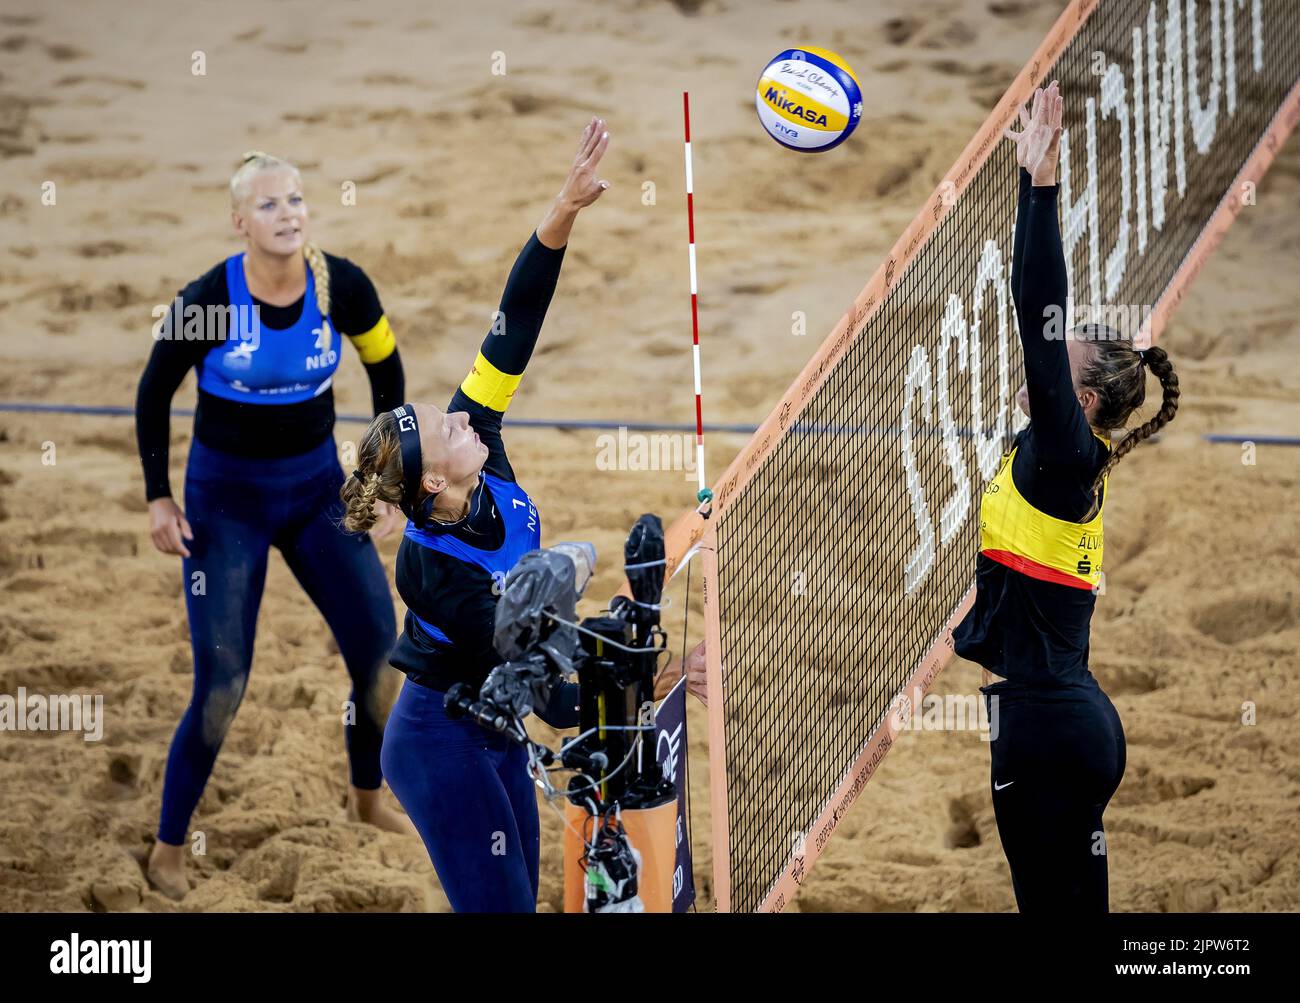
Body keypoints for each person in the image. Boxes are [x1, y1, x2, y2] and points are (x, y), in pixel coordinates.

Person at [341, 118, 703, 911]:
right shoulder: (431, 569)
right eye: (450, 426)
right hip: (440, 738)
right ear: (434, 480)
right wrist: (663, 673)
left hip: (495, 725)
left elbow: (513, 326)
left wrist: (562, 212)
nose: (467, 416)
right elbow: (549, 690)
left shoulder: (485, 447)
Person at [135, 151, 410, 899]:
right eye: (267, 205)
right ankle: (167, 846)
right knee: (223, 684)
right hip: (226, 504)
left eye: (295, 199)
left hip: (317, 491)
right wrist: (160, 497)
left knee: (383, 657)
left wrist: (384, 481)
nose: (287, 213)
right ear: (238, 222)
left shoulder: (341, 285)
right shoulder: (209, 299)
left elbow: (388, 374)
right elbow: (153, 392)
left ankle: (367, 798)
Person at [955, 81, 1180, 912]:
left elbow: (1034, 308)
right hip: (1075, 725)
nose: (1039, 369)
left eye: (1059, 366)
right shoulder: (1062, 461)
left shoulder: (1063, 454)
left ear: (1080, 400)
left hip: (1046, 734)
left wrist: (1039, 186)